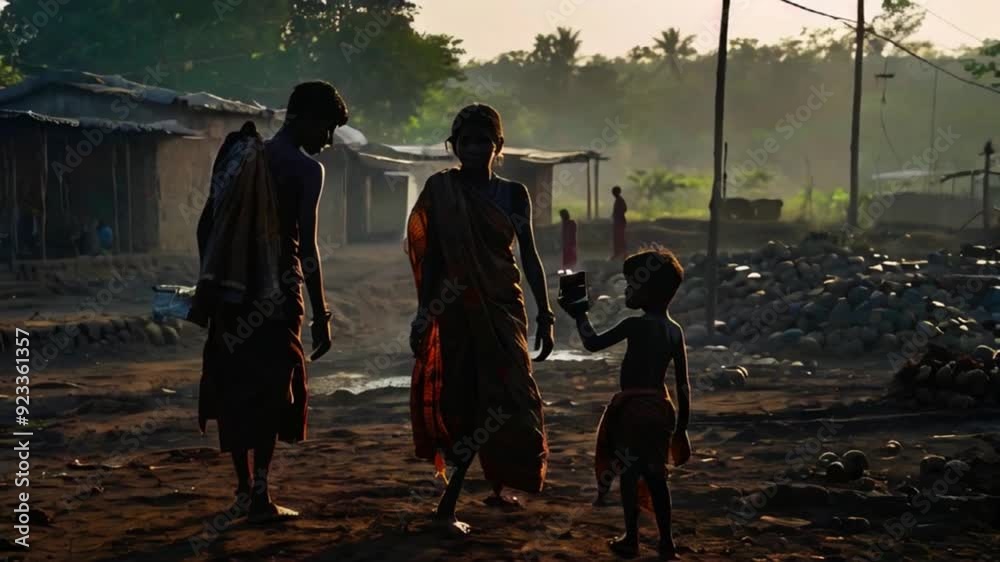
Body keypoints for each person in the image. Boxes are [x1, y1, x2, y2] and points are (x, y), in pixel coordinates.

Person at [196, 81, 347, 523]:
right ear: (303, 118)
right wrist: (321, 314)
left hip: (232, 292)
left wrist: (217, 278)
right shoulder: (306, 170)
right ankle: (259, 495)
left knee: (233, 386)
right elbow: (307, 249)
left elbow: (208, 224)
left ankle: (244, 491)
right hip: (278, 296)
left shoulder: (240, 155)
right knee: (271, 394)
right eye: (327, 128)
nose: (328, 140)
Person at [406, 103, 555, 535]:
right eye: (465, 141)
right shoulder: (441, 190)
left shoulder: (514, 194)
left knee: (512, 393)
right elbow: (431, 257)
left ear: (499, 145)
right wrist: (424, 313)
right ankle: (447, 506)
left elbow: (529, 256)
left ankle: (497, 483)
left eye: (483, 141)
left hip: (505, 307)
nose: (473, 149)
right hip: (455, 312)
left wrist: (545, 314)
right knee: (467, 400)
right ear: (453, 145)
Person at [558, 248, 692, 560]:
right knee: (657, 476)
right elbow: (683, 384)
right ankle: (667, 543)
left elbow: (592, 343)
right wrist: (682, 428)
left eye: (632, 284)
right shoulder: (675, 331)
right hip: (660, 409)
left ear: (650, 290)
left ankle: (632, 539)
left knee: (630, 473)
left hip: (633, 411)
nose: (626, 290)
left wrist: (579, 314)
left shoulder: (635, 325)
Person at [611, 186, 628, 260]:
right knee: (617, 238)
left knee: (620, 238)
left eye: (614, 192)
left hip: (620, 221)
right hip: (618, 221)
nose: (613, 193)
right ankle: (618, 253)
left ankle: (623, 254)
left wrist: (618, 214)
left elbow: (624, 209)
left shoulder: (620, 200)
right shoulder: (618, 200)